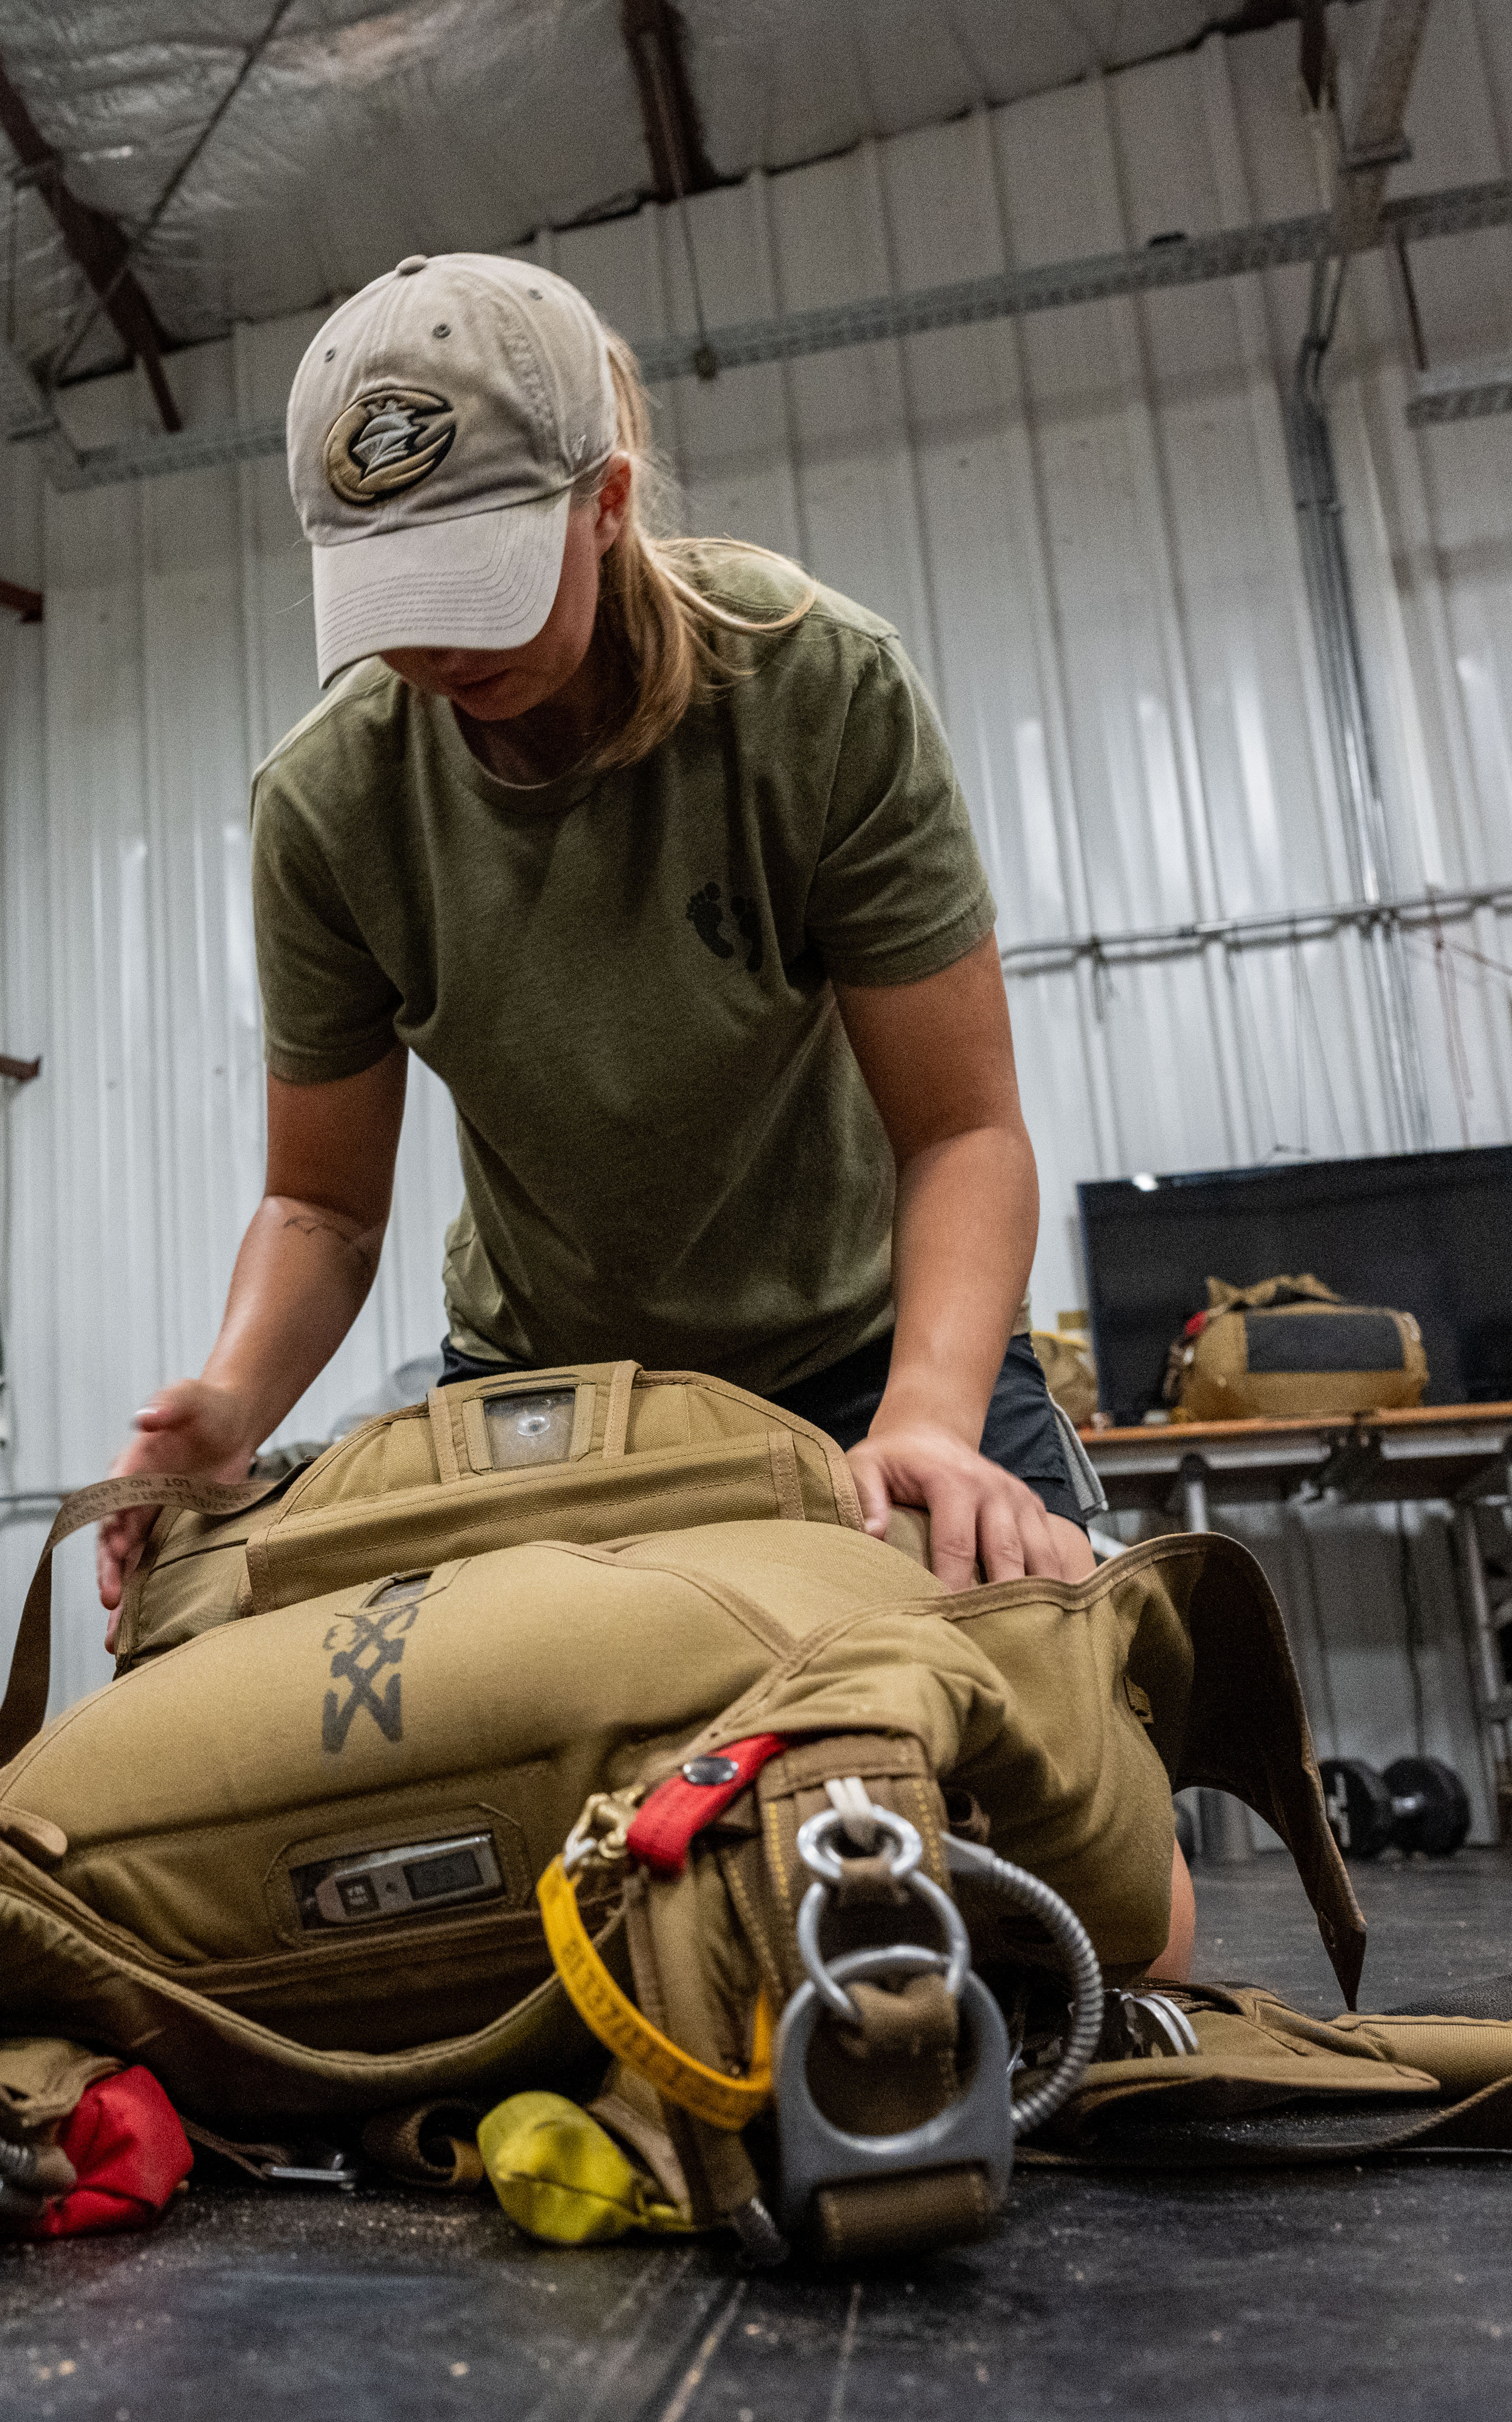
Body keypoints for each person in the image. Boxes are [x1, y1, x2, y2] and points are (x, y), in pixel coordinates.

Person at [94, 253, 1191, 1974]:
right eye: (393, 595)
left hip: (861, 1363)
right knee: (544, 1900)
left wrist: (926, 1421)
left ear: (603, 503)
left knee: (1116, 1930)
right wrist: (229, 1402)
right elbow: (322, 1209)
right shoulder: (327, 804)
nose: (441, 648)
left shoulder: (815, 690)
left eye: (479, 583)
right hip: (550, 1401)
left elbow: (962, 1131)